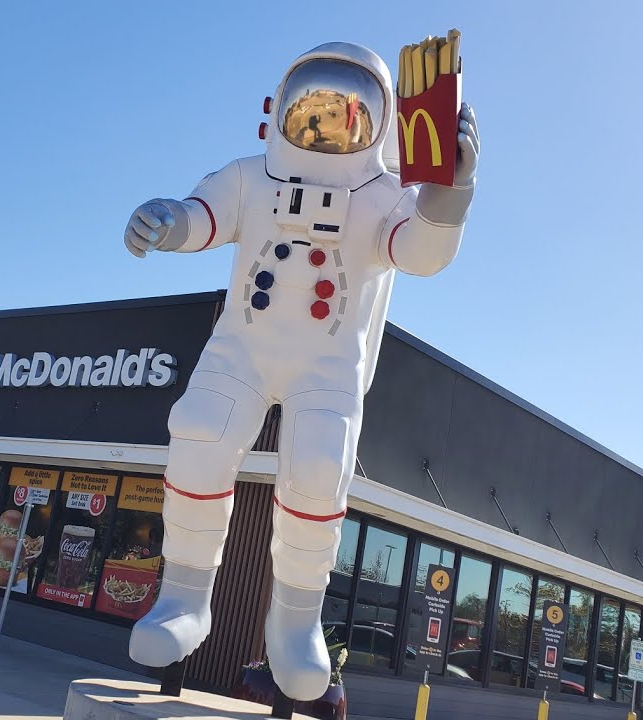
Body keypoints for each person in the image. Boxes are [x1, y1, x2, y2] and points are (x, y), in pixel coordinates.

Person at [121, 41, 479, 701]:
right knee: (199, 430)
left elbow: (420, 253)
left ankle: (294, 626)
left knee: (318, 468)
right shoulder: (249, 178)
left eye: (341, 116)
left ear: (376, 124)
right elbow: (201, 216)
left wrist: (449, 196)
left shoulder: (384, 196)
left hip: (329, 361)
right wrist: (165, 222)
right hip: (243, 346)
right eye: (311, 113)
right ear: (278, 112)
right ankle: (182, 601)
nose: (322, 129)